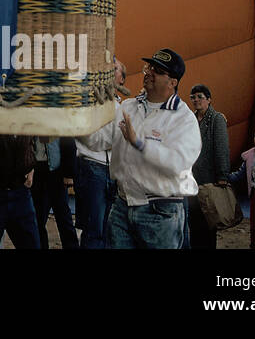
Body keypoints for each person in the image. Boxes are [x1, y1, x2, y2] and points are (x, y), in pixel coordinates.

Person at [80, 48, 200, 249]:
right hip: (122, 206)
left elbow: (178, 164)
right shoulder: (127, 108)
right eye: (150, 67)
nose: (149, 72)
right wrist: (74, 121)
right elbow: (97, 141)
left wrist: (139, 143)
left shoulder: (183, 118)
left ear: (173, 82)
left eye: (158, 71)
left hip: (160, 211)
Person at [73, 59, 126, 248]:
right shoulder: (87, 100)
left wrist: (115, 138)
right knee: (93, 229)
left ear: (121, 79)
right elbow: (89, 137)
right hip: (91, 169)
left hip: (113, 172)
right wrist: (117, 139)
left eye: (115, 68)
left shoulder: (122, 107)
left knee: (110, 228)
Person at [188, 83, 230, 249]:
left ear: (209, 100)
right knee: (195, 220)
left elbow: (221, 147)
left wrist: (222, 175)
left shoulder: (217, 119)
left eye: (200, 97)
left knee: (209, 221)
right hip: (192, 180)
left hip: (210, 179)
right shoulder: (190, 119)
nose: (196, 100)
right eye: (193, 97)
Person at [30, 136, 78, 249]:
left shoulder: (59, 118)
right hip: (37, 170)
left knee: (63, 216)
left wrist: (69, 174)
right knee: (38, 218)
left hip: (57, 171)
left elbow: (69, 141)